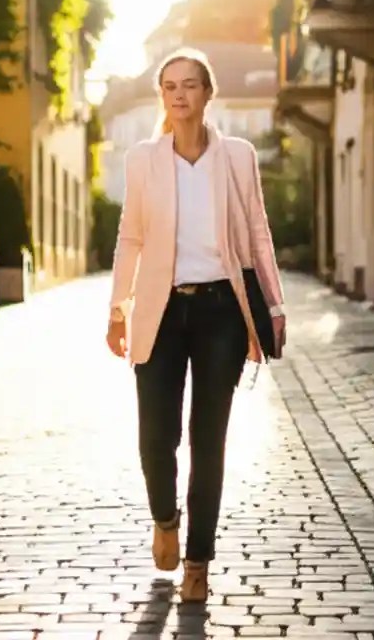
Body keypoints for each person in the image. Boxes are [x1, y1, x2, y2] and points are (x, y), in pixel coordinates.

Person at [105, 47, 287, 603]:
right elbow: (131, 237)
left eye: (190, 84)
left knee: (209, 439)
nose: (179, 94)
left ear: (208, 93)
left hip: (221, 312)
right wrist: (117, 309)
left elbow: (257, 232)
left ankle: (198, 562)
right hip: (159, 310)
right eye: (170, 86)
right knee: (156, 437)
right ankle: (165, 518)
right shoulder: (143, 160)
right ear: (162, 96)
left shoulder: (238, 156)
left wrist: (274, 308)